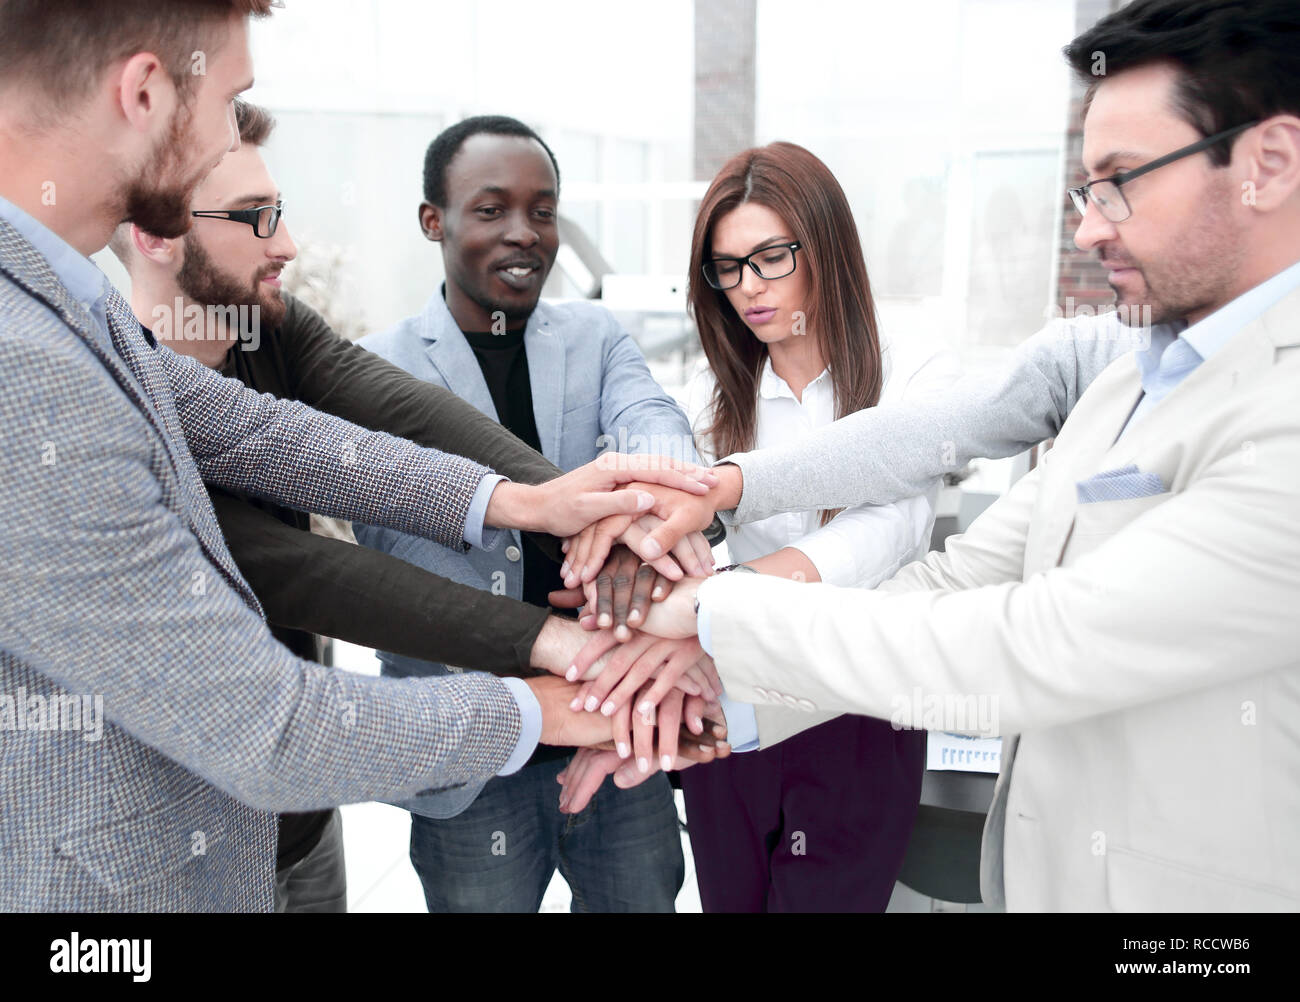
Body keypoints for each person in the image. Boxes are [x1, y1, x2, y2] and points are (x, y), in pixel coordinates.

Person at [567, 0, 1300, 912]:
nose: (1089, 229)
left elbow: (1024, 642)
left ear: (1267, 165)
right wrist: (708, 686)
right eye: (1086, 189)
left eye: (1122, 182)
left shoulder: (1281, 419)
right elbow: (953, 579)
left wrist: (716, 606)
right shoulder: (1127, 376)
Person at [0, 0, 714, 912]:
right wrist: (573, 686)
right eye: (230, 98)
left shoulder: (68, 300)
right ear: (144, 92)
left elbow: (277, 437)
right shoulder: (26, 361)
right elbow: (273, 723)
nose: (286, 244)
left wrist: (530, 500)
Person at [354, 115, 721, 913]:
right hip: (469, 755)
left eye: (543, 211)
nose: (524, 233)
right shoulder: (375, 369)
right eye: (491, 210)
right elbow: (386, 530)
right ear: (433, 221)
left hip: (613, 722)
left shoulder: (594, 334)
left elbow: (655, 422)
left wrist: (641, 528)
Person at [672, 141, 959, 911]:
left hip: (859, 703)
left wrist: (726, 593)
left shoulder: (913, 365)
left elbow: (889, 529)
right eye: (727, 267)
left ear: (825, 245)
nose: (748, 288)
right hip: (735, 692)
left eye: (770, 257)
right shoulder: (709, 392)